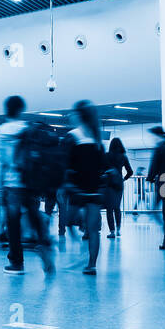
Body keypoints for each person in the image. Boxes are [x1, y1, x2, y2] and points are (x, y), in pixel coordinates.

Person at [0, 95, 53, 274]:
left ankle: (16, 262)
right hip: (30, 182)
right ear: (21, 109)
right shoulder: (28, 129)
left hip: (12, 183)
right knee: (34, 215)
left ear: (6, 110)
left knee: (13, 223)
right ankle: (43, 245)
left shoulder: (1, 133)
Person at [65, 101, 107, 274]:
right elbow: (103, 165)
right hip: (95, 190)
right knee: (93, 230)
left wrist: (65, 183)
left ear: (79, 115)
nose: (70, 116)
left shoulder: (73, 136)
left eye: (73, 113)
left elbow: (66, 163)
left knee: (68, 221)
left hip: (77, 189)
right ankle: (92, 265)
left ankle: (78, 244)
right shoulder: (97, 139)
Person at [104, 138, 133, 238]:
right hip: (119, 185)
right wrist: (123, 179)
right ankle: (118, 229)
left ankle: (112, 231)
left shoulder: (107, 156)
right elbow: (130, 172)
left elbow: (102, 170)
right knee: (117, 207)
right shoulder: (123, 157)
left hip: (109, 184)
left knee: (109, 209)